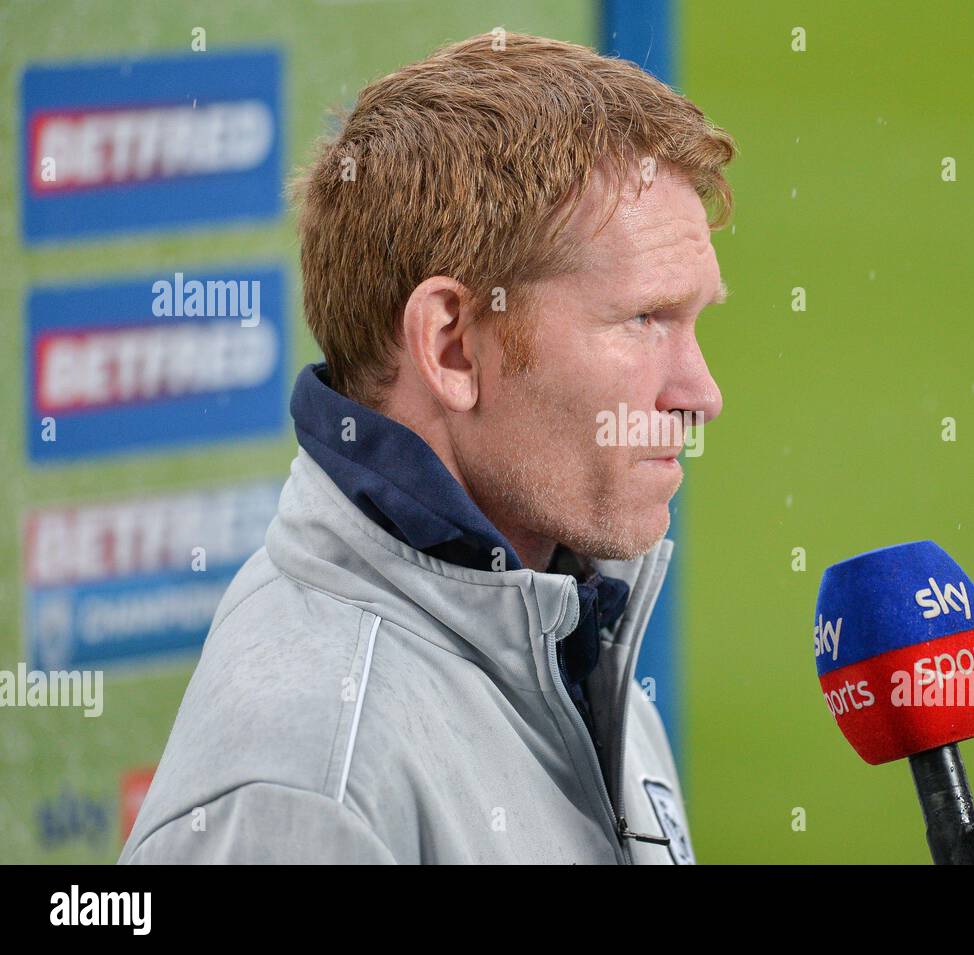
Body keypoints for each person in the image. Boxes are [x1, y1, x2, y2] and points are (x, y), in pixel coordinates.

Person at [119, 30, 734, 864]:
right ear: (450, 346)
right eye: (644, 320)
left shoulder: (568, 630)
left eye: (694, 320)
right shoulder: (306, 789)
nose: (702, 394)